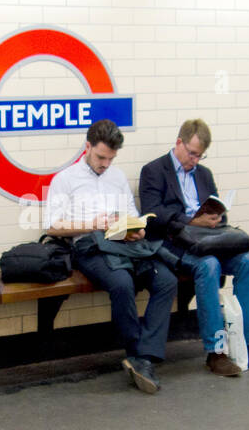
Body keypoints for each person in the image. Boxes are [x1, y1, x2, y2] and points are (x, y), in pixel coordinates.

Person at [45, 119, 177, 394]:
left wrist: (136, 230)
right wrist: (95, 224)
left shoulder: (116, 177)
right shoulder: (65, 179)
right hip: (89, 246)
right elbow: (52, 225)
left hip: (124, 243)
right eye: (100, 157)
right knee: (121, 283)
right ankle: (135, 352)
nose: (105, 164)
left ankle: (144, 356)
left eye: (110, 158)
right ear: (87, 147)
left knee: (166, 279)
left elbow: (131, 214)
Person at [139, 119, 249, 377]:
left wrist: (216, 218)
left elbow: (215, 209)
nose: (194, 160)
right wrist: (190, 220)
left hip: (207, 241)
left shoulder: (204, 174)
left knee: (248, 262)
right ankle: (216, 351)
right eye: (191, 153)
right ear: (179, 143)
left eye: (200, 156)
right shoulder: (154, 171)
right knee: (209, 266)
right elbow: (151, 214)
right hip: (174, 244)